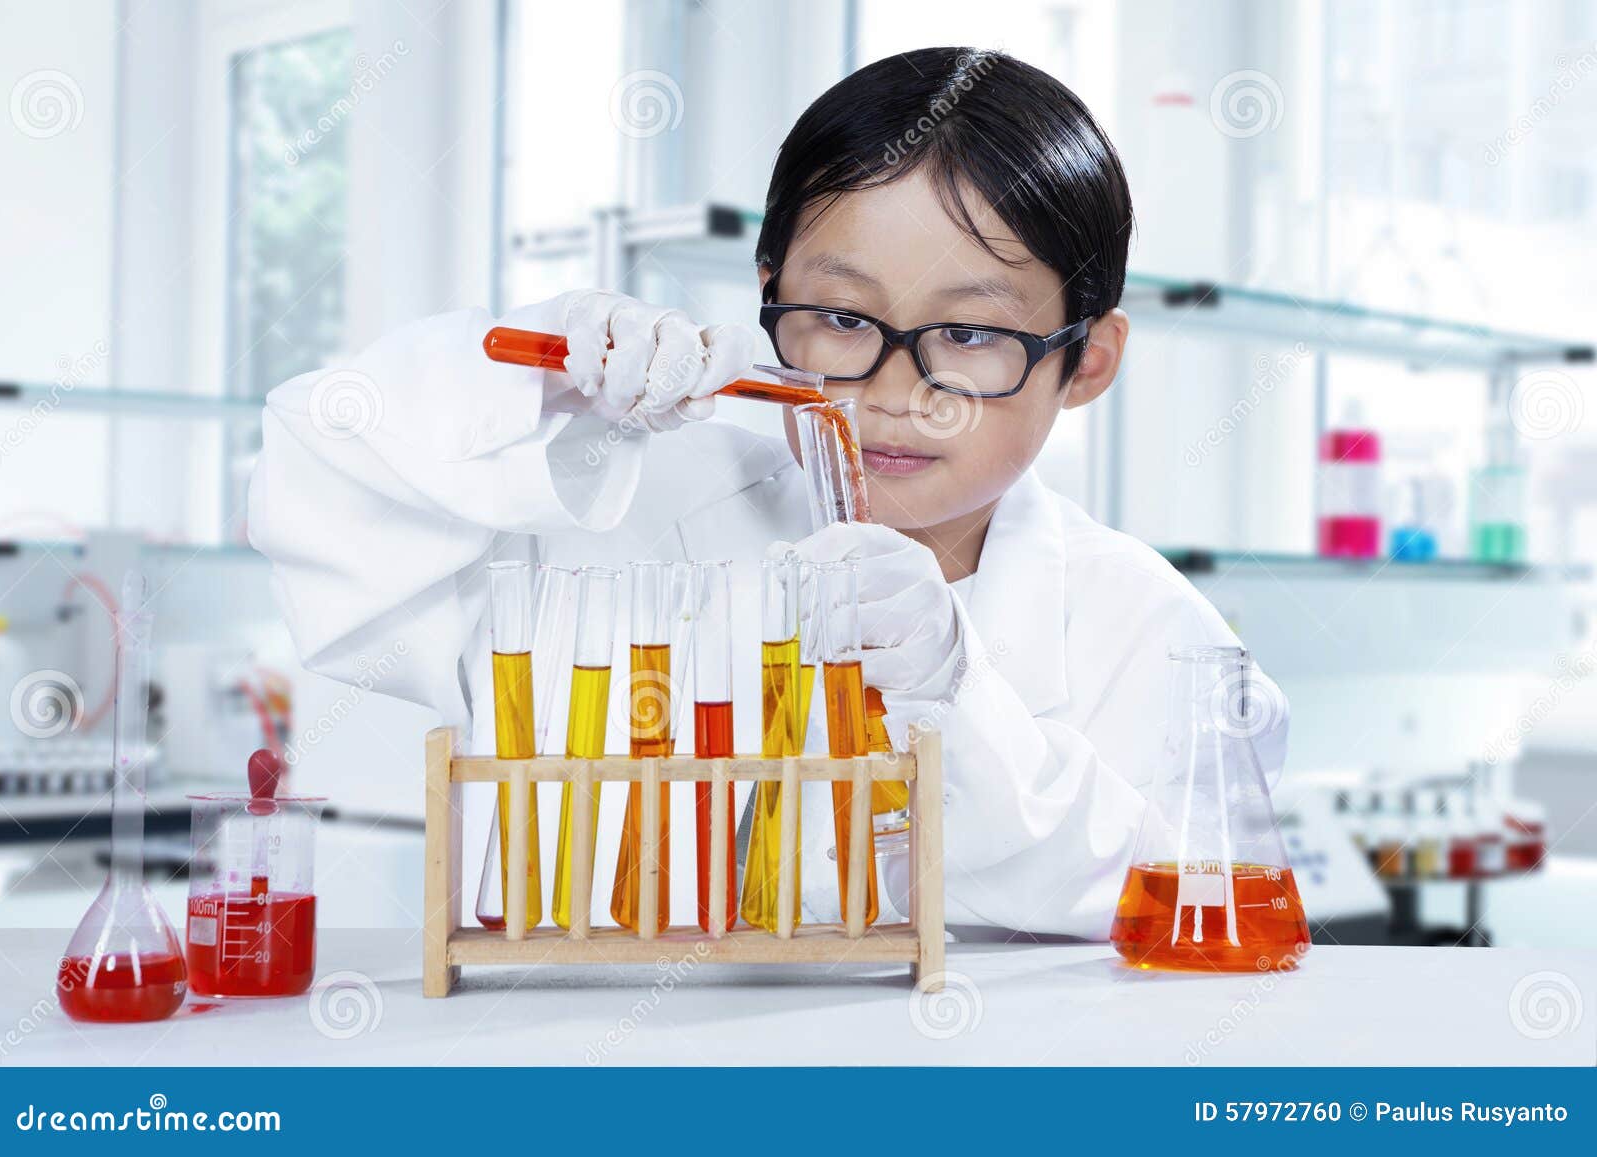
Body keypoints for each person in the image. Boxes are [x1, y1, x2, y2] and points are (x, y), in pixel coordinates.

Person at [249, 47, 1285, 938]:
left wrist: (955, 695)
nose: (893, 393)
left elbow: (1199, 920)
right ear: (768, 295)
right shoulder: (628, 515)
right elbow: (323, 486)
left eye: (969, 333)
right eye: (841, 318)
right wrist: (532, 385)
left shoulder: (1155, 637)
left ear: (1088, 359)